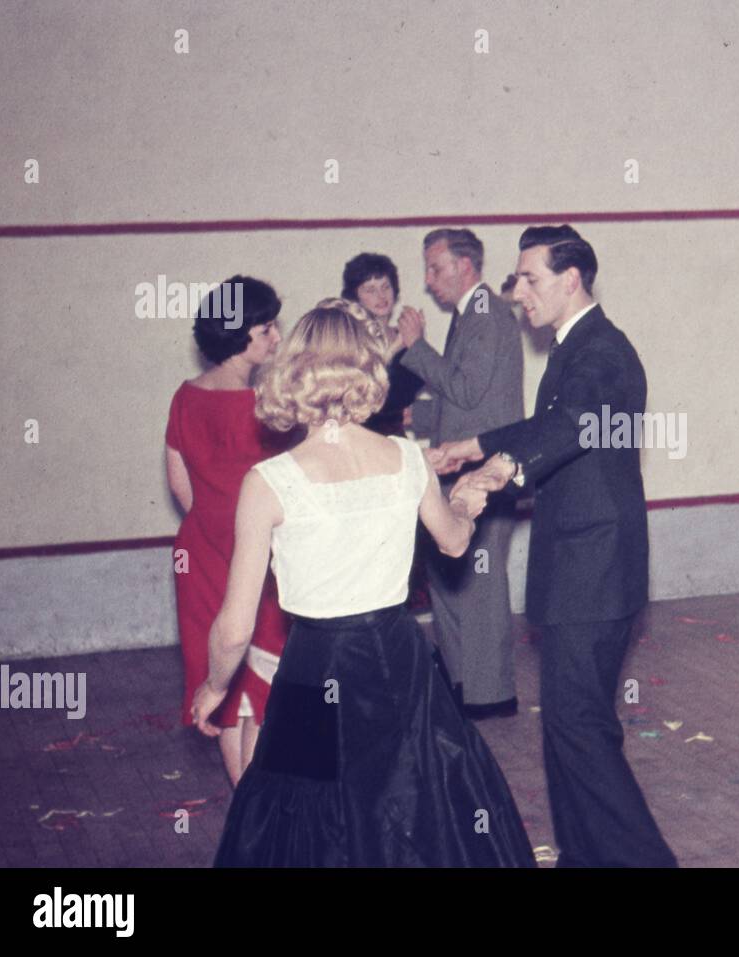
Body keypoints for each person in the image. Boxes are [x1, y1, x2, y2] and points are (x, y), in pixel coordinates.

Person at [193, 299, 536, 867]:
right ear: (368, 372)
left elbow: (234, 628)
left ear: (293, 372)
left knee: (308, 811)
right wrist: (466, 502)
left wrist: (213, 687)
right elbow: (453, 543)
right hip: (398, 656)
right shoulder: (405, 459)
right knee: (414, 795)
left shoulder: (270, 482)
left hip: (315, 663)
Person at [436, 225, 677, 867]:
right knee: (569, 728)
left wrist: (497, 472)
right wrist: (477, 443)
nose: (518, 294)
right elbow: (550, 423)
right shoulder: (578, 347)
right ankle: (583, 857)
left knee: (581, 731)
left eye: (529, 279)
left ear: (571, 280)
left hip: (592, 571)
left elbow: (574, 425)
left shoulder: (601, 353)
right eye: (515, 280)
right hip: (583, 569)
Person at [165, 276, 293, 785]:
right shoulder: (266, 407)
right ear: (240, 335)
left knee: (223, 685)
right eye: (267, 329)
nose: (277, 338)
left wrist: (218, 521)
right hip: (257, 559)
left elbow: (181, 487)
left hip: (200, 557)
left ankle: (245, 808)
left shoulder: (184, 397)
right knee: (260, 688)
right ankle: (258, 816)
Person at [396, 229, 524, 719]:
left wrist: (416, 347)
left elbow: (468, 392)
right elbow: (475, 401)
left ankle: (490, 696)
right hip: (463, 470)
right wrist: (420, 419)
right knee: (451, 582)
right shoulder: (472, 316)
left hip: (487, 475)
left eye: (435, 268)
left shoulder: (487, 316)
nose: (428, 281)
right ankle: (464, 684)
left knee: (481, 586)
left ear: (466, 266)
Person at [340, 252, 424, 436]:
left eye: (386, 287)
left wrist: (418, 346)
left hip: (396, 435)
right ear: (355, 297)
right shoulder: (352, 339)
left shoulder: (404, 334)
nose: (381, 295)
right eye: (370, 290)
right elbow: (361, 396)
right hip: (362, 437)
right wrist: (395, 349)